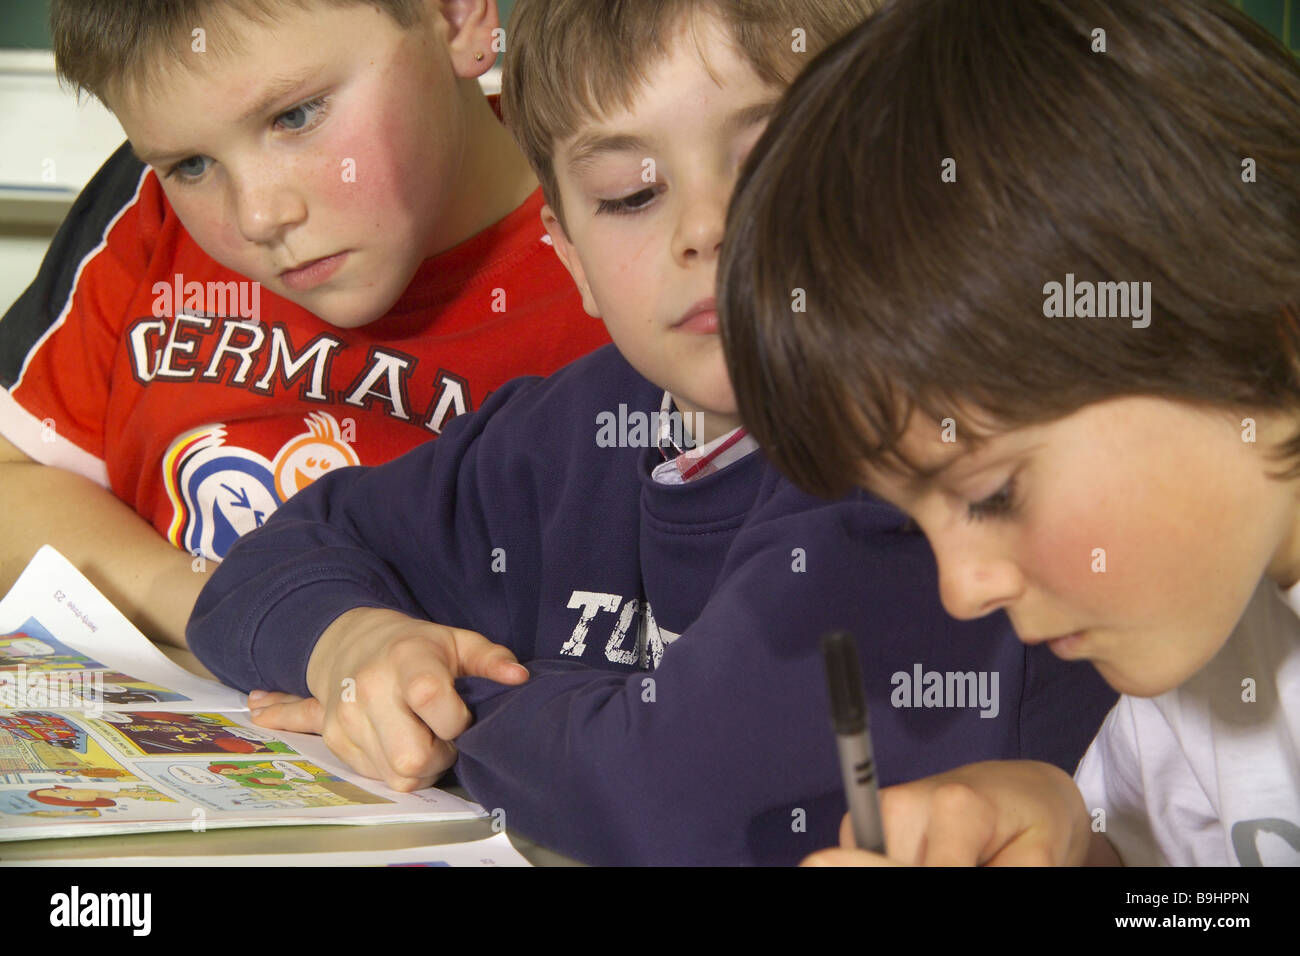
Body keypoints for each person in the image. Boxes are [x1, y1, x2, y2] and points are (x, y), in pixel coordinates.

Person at [187, 0, 1116, 866]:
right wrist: (353, 646)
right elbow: (271, 561)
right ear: (571, 259)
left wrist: (437, 700)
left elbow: (667, 798)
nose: (707, 229)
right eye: (632, 194)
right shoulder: (575, 425)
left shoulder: (922, 462)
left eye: (769, 162)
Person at [717, 0, 1300, 866]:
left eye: (992, 493)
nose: (962, 591)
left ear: (1268, 321)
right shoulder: (1207, 628)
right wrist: (1070, 845)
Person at [0, 0, 608, 649]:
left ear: (456, 19)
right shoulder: (143, 211)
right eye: (192, 166)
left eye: (295, 115)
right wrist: (266, 620)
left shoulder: (631, 254)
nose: (258, 216)